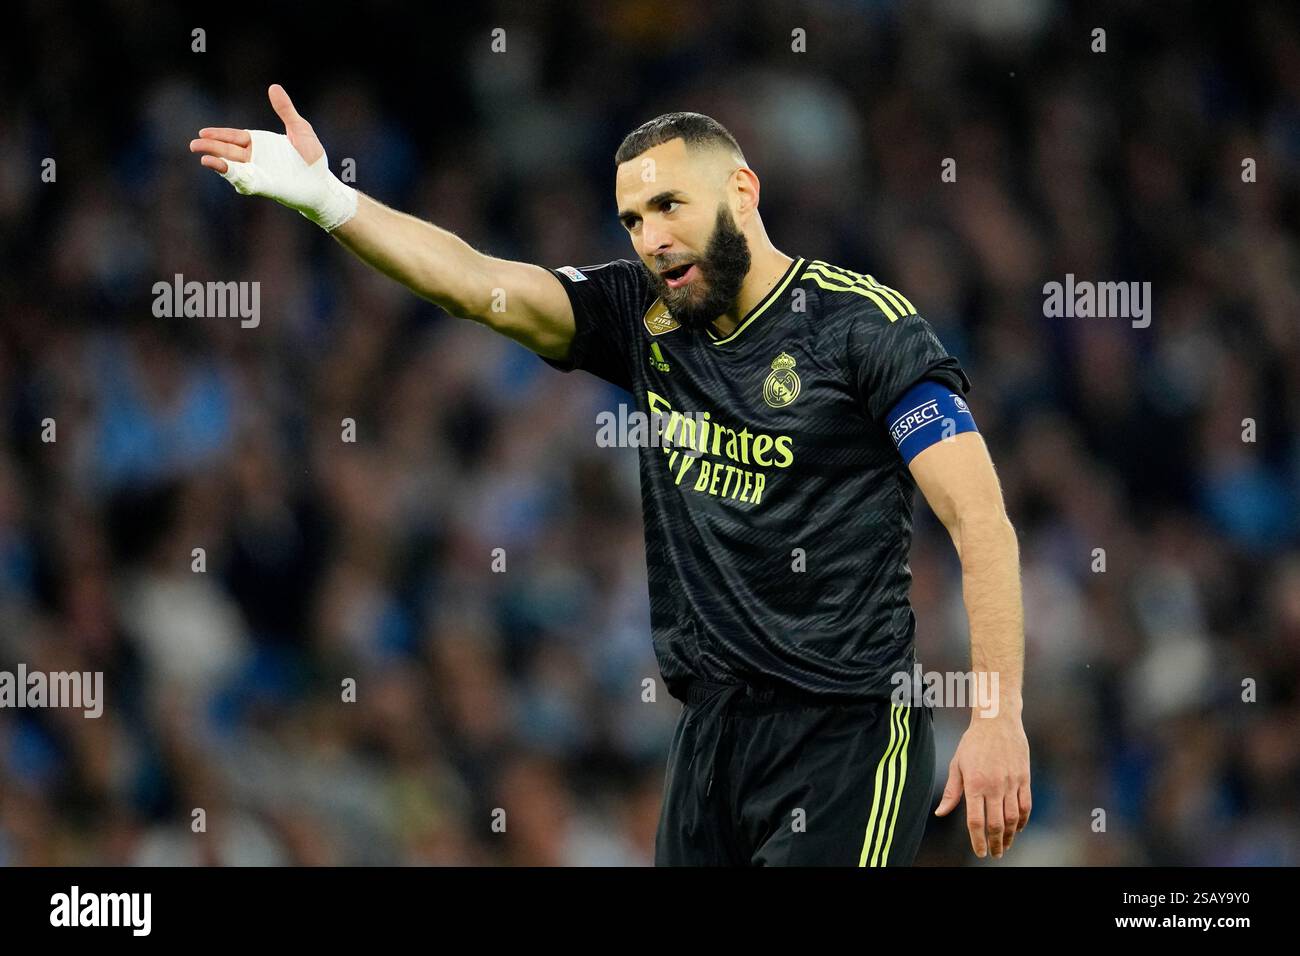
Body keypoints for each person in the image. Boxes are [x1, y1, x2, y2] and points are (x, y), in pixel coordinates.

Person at [190, 84, 1031, 866]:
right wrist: (330, 200)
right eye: (632, 219)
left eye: (669, 206)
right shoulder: (640, 315)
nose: (651, 238)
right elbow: (478, 284)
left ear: (742, 191)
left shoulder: (864, 329)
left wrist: (996, 717)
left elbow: (980, 522)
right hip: (708, 741)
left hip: (847, 734)